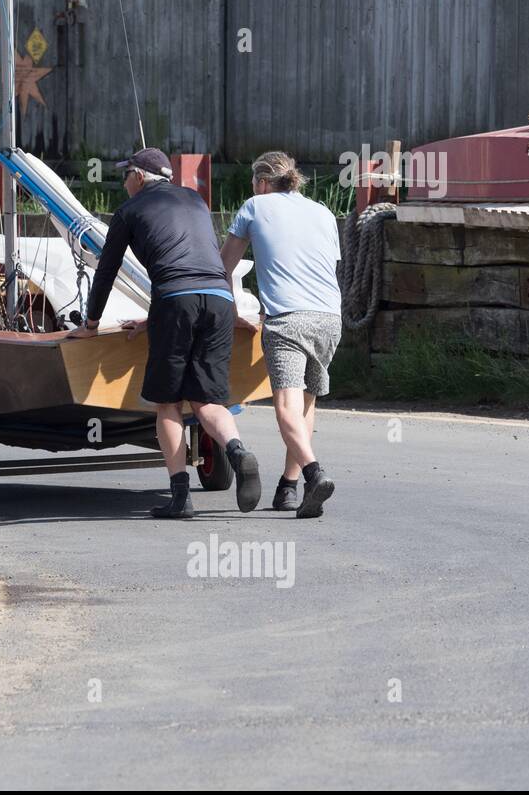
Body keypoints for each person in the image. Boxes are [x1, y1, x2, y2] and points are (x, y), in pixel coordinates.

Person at [69, 147, 261, 519]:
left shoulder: (129, 211)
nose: (124, 181)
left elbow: (106, 270)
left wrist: (90, 326)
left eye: (126, 175)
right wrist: (156, 316)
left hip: (176, 300)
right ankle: (237, 451)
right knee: (209, 400)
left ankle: (180, 498)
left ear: (139, 177)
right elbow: (201, 261)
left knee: (168, 403)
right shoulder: (195, 200)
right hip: (219, 299)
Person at [220, 151, 341, 519]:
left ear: (260, 182)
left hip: (287, 319)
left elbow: (221, 266)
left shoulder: (254, 206)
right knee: (306, 404)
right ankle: (288, 489)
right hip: (329, 317)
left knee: (285, 407)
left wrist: (231, 312)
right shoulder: (323, 212)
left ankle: (313, 472)